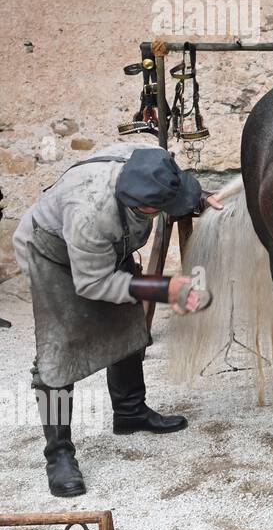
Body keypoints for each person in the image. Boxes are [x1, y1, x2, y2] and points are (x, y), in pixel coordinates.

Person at [12, 142, 221, 497]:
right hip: (52, 256)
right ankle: (58, 454)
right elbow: (93, 282)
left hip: (107, 248)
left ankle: (130, 412)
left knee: (128, 326)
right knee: (56, 357)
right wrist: (165, 288)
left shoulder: (145, 159)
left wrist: (196, 199)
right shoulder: (90, 212)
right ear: (146, 207)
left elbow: (169, 185)